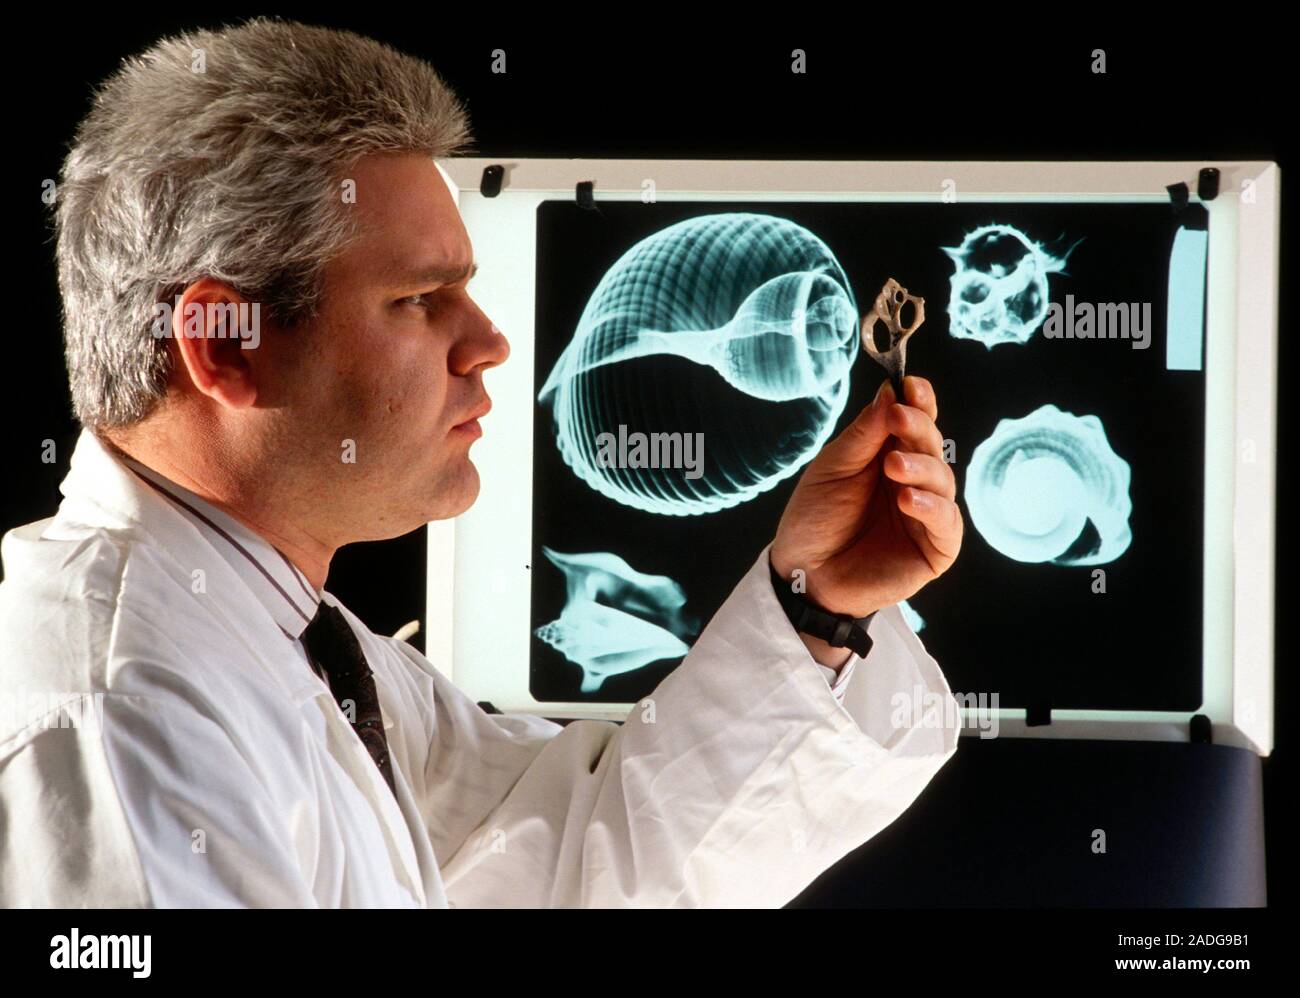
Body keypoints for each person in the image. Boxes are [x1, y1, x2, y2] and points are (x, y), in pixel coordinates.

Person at [0, 18, 964, 907]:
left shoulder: (290, 635)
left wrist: (818, 605)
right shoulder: (127, 720)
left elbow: (575, 854)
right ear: (226, 343)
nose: (491, 343)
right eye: (422, 299)